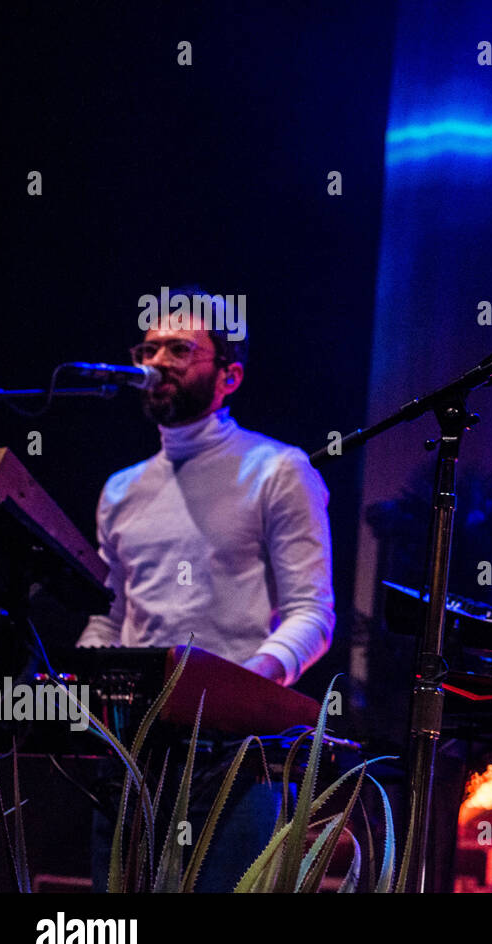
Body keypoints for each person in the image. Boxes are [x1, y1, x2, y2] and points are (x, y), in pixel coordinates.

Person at [77, 284, 334, 890]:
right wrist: (81, 681)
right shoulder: (120, 489)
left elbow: (310, 613)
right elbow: (109, 617)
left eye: (179, 350)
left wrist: (235, 689)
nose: (156, 362)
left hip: (237, 756)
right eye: (148, 349)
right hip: (132, 751)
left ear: (230, 375)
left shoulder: (278, 469)